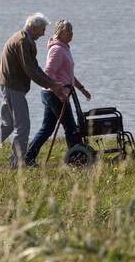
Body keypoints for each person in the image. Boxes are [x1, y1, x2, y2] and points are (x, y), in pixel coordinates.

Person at [0, 13, 64, 169]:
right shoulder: (22, 41)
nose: (43, 34)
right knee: (23, 126)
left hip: (7, 84)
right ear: (33, 28)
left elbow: (35, 67)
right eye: (41, 30)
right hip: (12, 86)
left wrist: (51, 83)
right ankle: (16, 164)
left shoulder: (22, 38)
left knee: (8, 125)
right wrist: (51, 85)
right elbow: (30, 70)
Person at [24, 19, 92, 165]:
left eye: (72, 31)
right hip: (54, 94)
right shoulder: (57, 50)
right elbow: (48, 73)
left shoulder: (64, 48)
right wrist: (59, 94)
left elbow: (68, 75)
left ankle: (28, 158)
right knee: (71, 127)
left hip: (54, 93)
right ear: (61, 32)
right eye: (69, 32)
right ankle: (76, 159)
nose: (72, 35)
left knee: (47, 128)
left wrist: (82, 89)